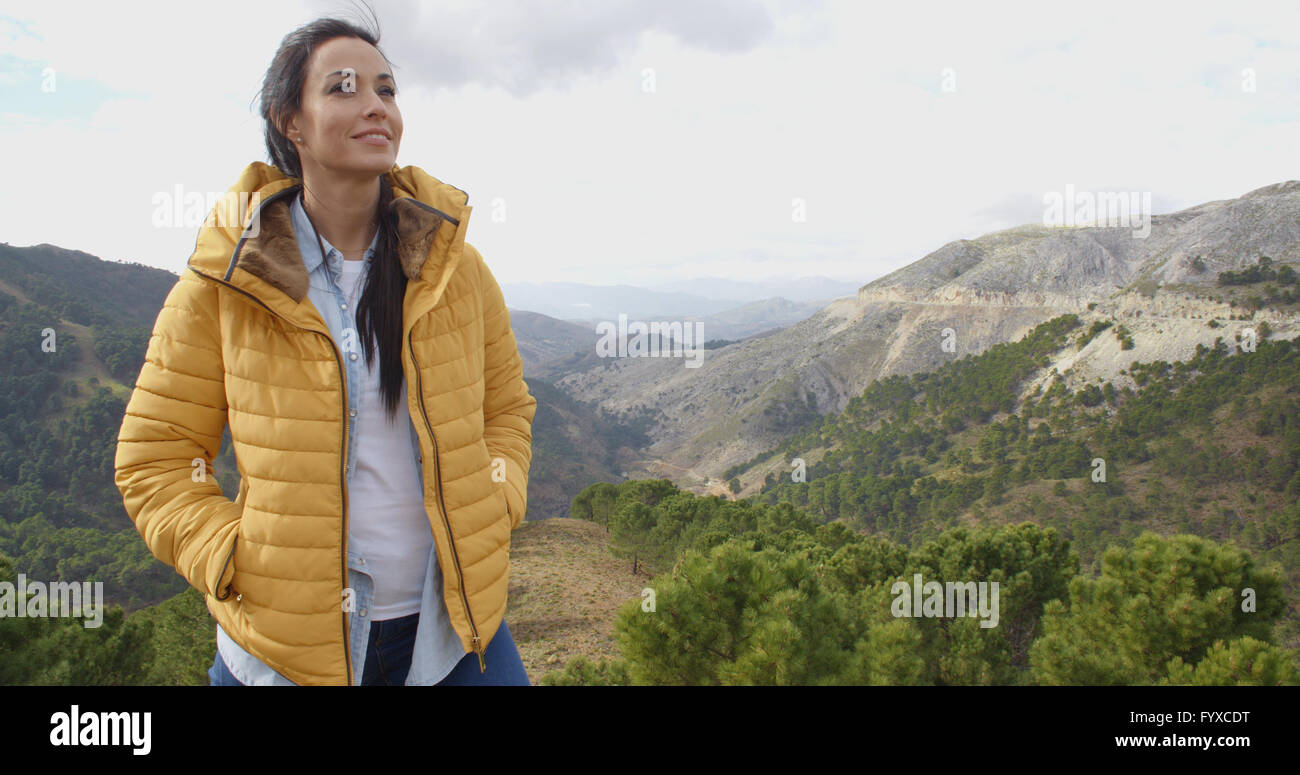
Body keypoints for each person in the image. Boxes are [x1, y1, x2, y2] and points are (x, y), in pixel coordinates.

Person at [113, 14, 537, 686]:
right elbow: (156, 459)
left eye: (387, 90)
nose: (375, 106)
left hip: (451, 633)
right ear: (292, 123)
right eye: (343, 88)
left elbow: (507, 409)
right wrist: (234, 557)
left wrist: (497, 496)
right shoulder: (226, 283)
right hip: (288, 654)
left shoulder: (456, 270)